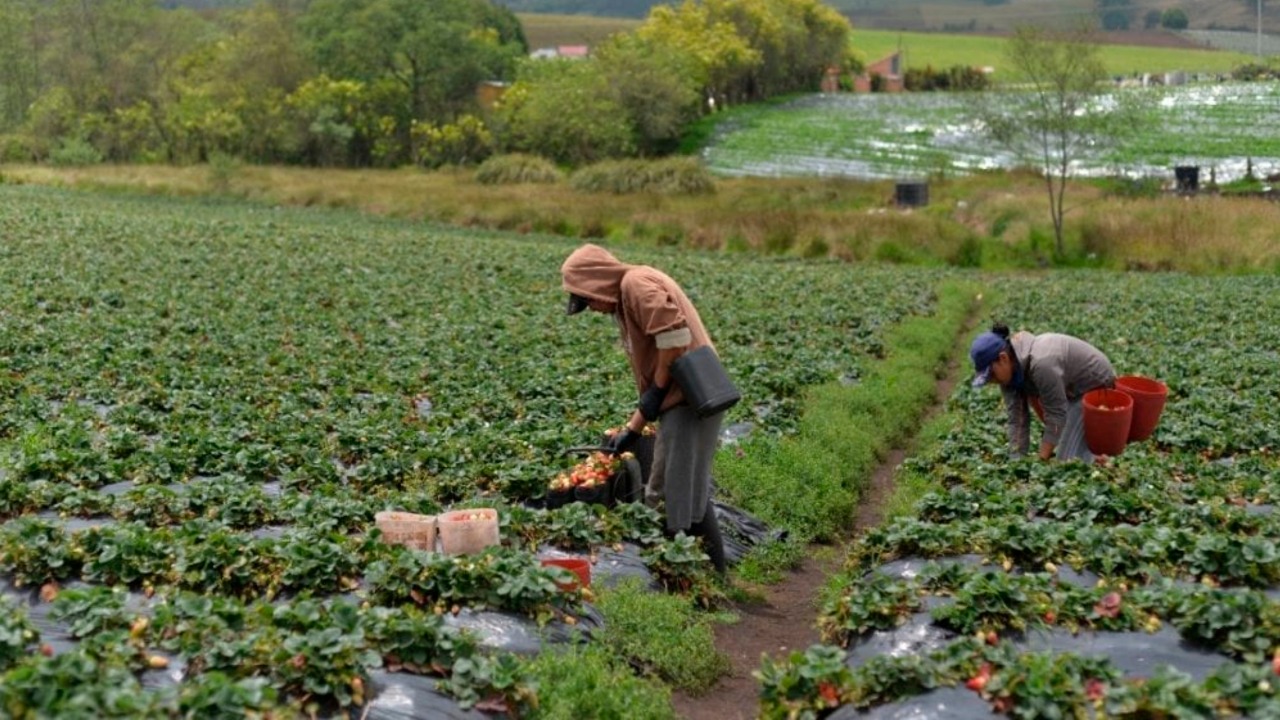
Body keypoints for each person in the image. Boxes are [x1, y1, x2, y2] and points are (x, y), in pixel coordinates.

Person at [560, 243, 727, 574]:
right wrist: (632, 429)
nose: (591, 308)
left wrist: (658, 391)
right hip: (685, 398)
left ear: (597, 282)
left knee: (663, 492)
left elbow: (675, 336)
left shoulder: (634, 284)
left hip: (688, 399)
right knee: (686, 482)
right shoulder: (628, 291)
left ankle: (677, 574)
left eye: (588, 299)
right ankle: (715, 575)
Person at [970, 323, 1116, 463]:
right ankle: (1082, 448)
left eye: (991, 375)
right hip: (1068, 391)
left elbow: (1057, 415)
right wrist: (1017, 460)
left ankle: (1095, 456)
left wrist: (1042, 458)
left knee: (1067, 462)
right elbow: (1017, 418)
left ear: (1003, 358)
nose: (991, 381)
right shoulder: (1008, 375)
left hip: (1095, 386)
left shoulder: (1042, 364)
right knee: (1062, 442)